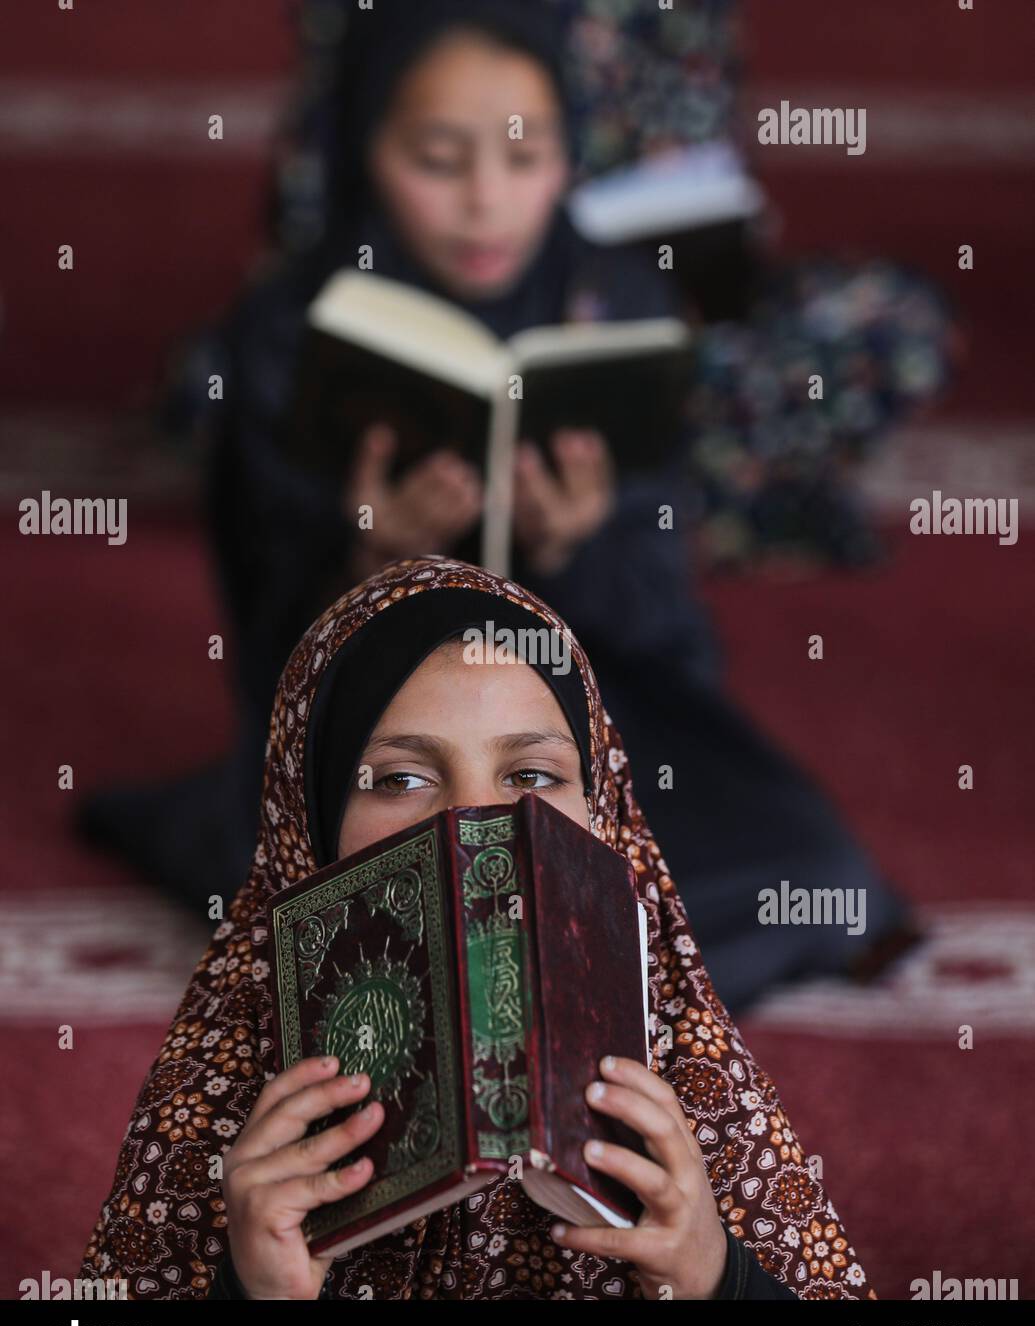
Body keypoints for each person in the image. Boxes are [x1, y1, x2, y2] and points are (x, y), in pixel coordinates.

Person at [78, 0, 922, 1009]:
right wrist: (366, 560)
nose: (487, 200)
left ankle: (548, 981)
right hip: (383, 742)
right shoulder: (284, 329)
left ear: (572, 149)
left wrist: (584, 542)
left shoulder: (619, 305)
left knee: (809, 875)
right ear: (363, 145)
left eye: (527, 160)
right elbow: (266, 648)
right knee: (390, 912)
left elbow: (670, 641)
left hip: (577, 722)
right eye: (439, 159)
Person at [78, 556, 876, 1300]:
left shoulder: (677, 1088)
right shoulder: (232, 1096)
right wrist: (251, 1292)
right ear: (309, 819)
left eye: (530, 776)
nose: (470, 822)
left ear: (601, 814)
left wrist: (716, 1273)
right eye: (400, 779)